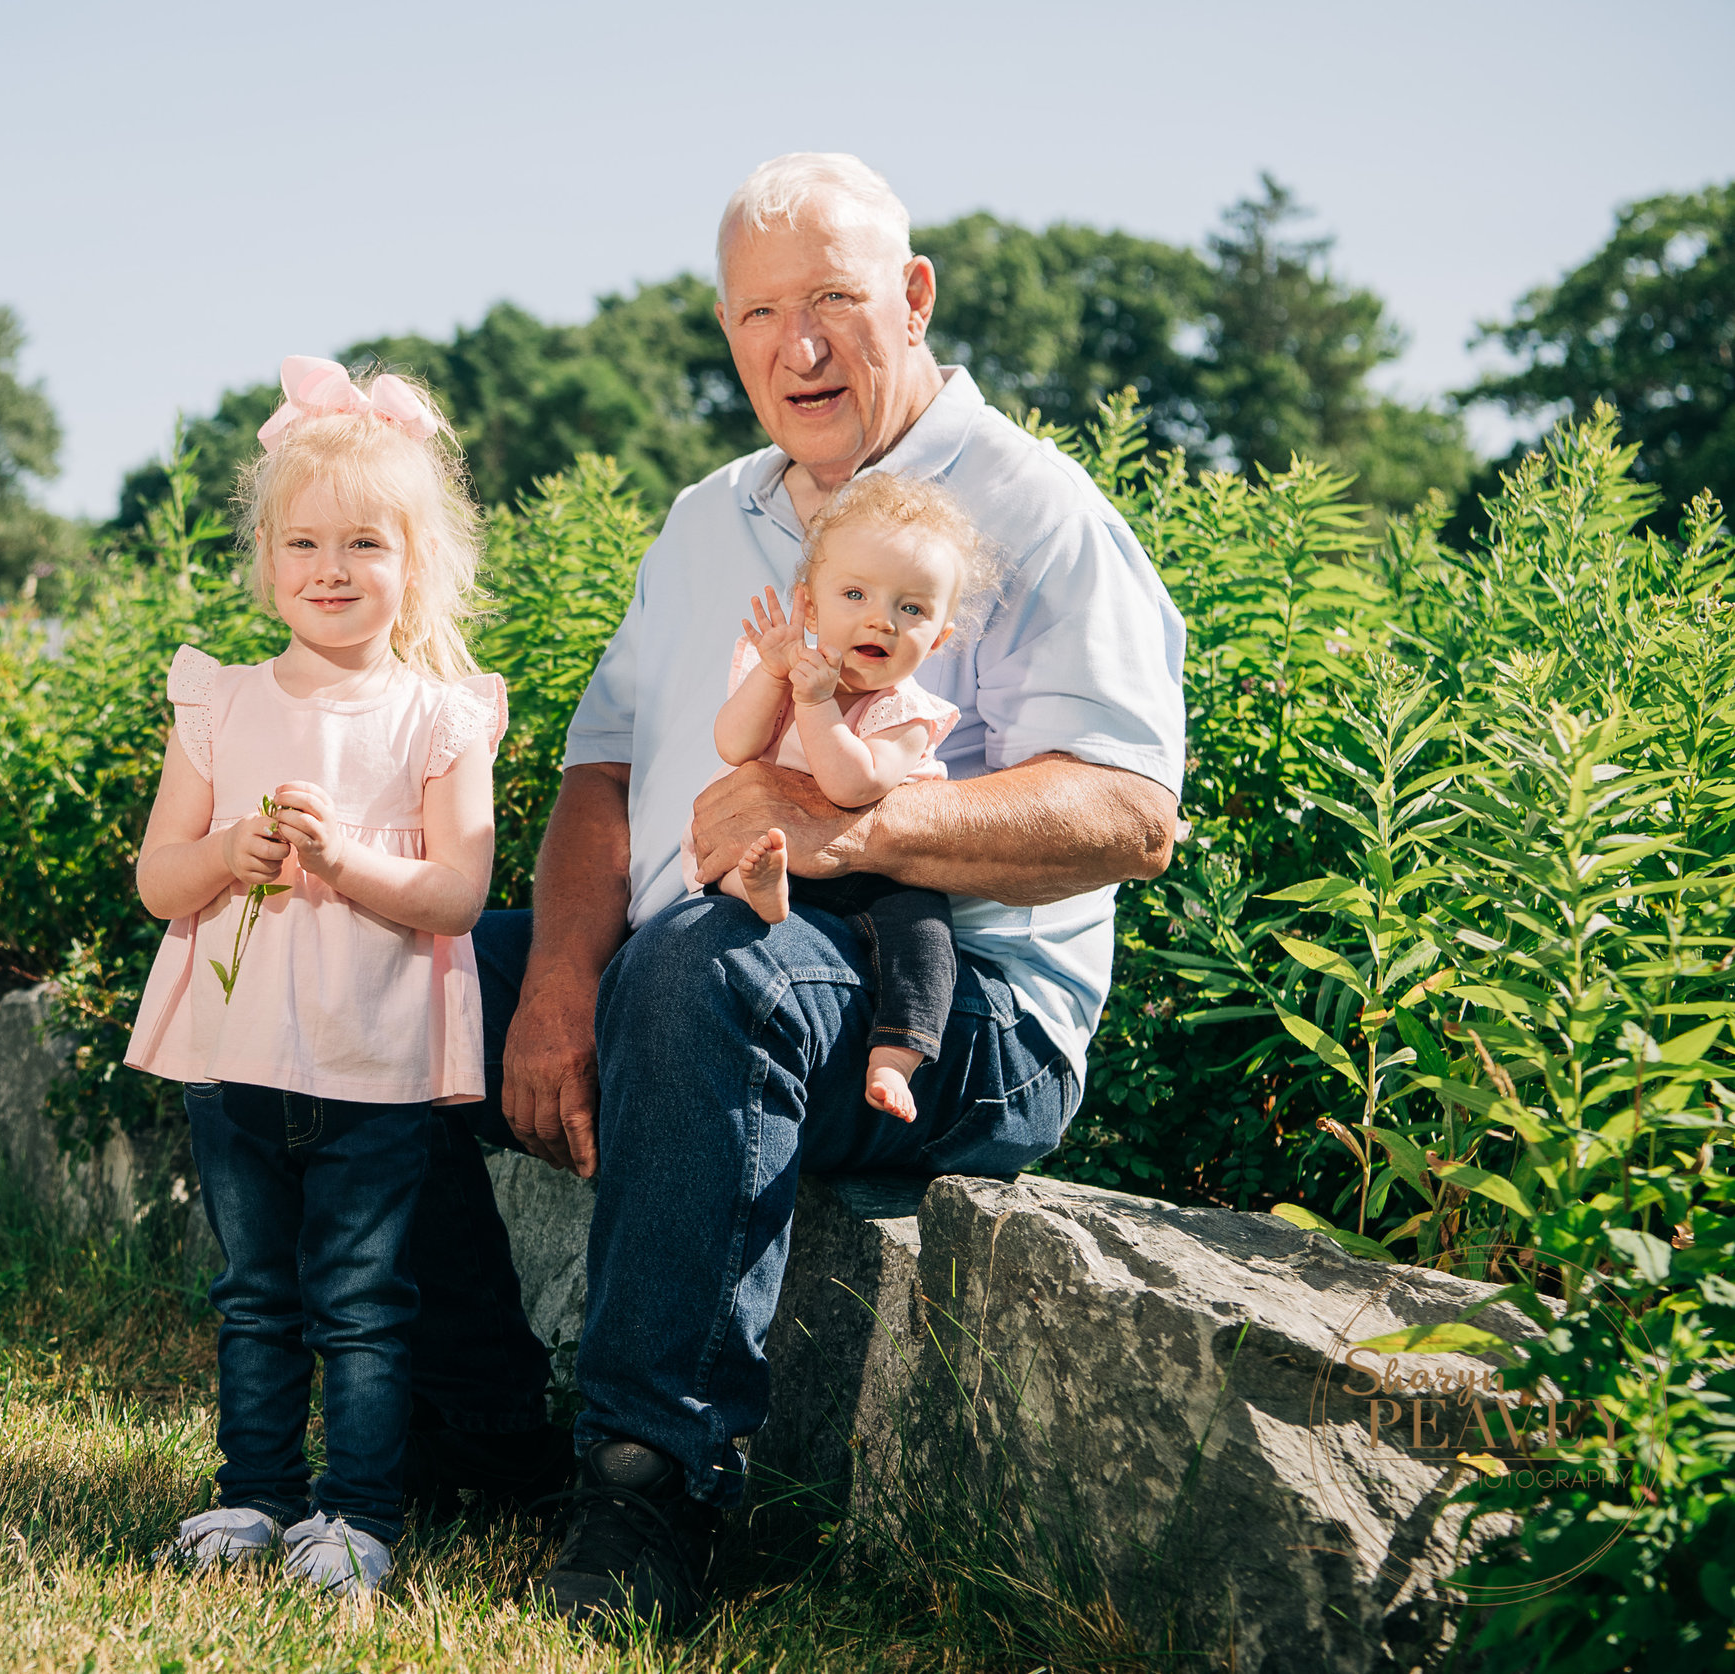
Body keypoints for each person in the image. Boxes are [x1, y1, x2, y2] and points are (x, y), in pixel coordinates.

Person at [397, 154, 1188, 1628]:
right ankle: (474, 1433)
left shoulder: (1032, 507)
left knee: (703, 966)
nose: (799, 345)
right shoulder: (710, 519)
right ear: (725, 332)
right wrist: (558, 978)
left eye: (833, 299)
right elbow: (601, 772)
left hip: (958, 1012)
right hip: (678, 948)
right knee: (398, 980)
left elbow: (1128, 813)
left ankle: (648, 1488)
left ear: (912, 296)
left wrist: (862, 826)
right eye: (762, 313)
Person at [125, 355, 508, 1597]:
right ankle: (254, 1494)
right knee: (254, 1291)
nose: (331, 569)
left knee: (360, 1297)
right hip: (234, 1058)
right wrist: (230, 853)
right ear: (267, 561)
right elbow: (156, 879)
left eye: (364, 544)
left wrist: (343, 858)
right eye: (303, 542)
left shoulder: (437, 719)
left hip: (371, 1056)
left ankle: (354, 1511)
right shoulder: (223, 708)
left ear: (418, 563)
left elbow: (458, 892)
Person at [695, 473, 997, 1125]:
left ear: (938, 637)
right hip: (785, 855)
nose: (879, 618)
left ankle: (894, 1057)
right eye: (854, 593)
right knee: (728, 847)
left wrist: (813, 702)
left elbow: (852, 785)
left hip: (875, 876)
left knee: (923, 935)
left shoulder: (906, 710)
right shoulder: (783, 669)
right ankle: (761, 891)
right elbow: (732, 743)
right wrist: (774, 677)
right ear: (807, 607)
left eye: (910, 608)